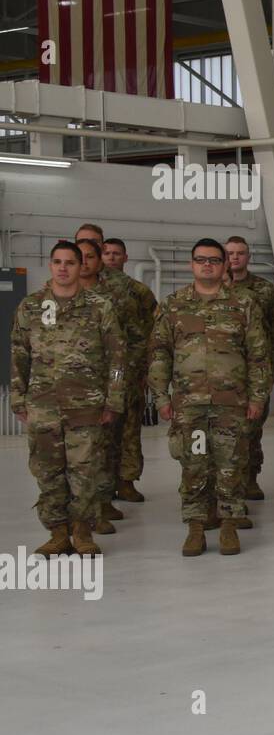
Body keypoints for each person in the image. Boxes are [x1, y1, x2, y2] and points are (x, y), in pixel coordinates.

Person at [150, 239, 272, 557]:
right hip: (189, 403)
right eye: (201, 260)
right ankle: (196, 527)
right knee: (194, 465)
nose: (207, 265)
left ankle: (230, 525)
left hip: (232, 402)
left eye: (214, 261)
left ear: (224, 266)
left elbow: (259, 355)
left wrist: (258, 397)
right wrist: (161, 396)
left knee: (231, 463)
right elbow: (159, 353)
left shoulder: (243, 304)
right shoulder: (173, 305)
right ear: (192, 265)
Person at [11, 241, 125, 557]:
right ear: (50, 265)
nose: (63, 268)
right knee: (47, 471)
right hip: (43, 405)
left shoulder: (99, 307)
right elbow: (19, 354)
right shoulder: (30, 307)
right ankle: (58, 534)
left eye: (70, 263)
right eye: (58, 262)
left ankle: (83, 531)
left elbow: (117, 358)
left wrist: (114, 400)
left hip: (86, 406)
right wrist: (19, 399)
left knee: (86, 472)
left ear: (81, 267)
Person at [74, 237, 133, 535]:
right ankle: (71, 517)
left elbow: (121, 349)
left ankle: (101, 505)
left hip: (102, 388)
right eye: (78, 257)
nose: (83, 263)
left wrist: (118, 391)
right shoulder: (50, 299)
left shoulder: (111, 297)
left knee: (104, 450)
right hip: (65, 392)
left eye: (90, 257)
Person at [225, 236, 274, 501]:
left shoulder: (264, 290)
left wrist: (268, 373)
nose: (235, 258)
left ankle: (250, 477)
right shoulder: (213, 289)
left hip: (254, 375)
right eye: (230, 253)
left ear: (248, 257)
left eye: (240, 253)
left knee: (251, 429)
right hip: (222, 376)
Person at [100, 237, 157, 505]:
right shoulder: (90, 290)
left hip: (131, 372)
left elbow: (153, 332)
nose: (111, 257)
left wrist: (147, 368)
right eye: (107, 253)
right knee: (102, 433)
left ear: (125, 258)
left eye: (116, 253)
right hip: (98, 375)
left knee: (130, 429)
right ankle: (101, 485)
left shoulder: (140, 292)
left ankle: (127, 481)